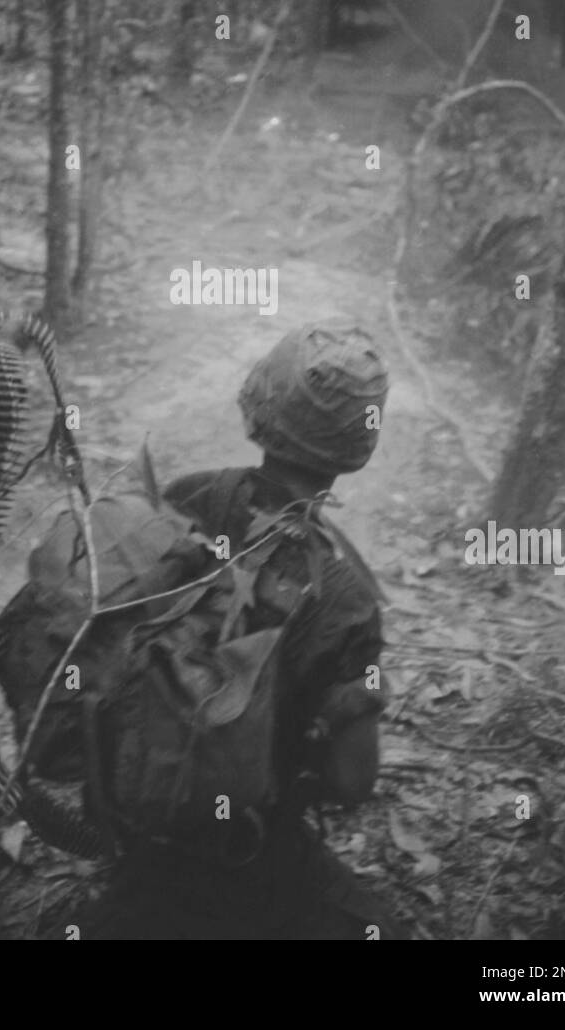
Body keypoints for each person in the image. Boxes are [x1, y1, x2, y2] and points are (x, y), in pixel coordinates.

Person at [81, 319, 405, 940]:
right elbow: (352, 781)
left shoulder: (184, 496)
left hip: (139, 834)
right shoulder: (345, 600)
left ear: (259, 404)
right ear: (358, 444)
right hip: (249, 860)